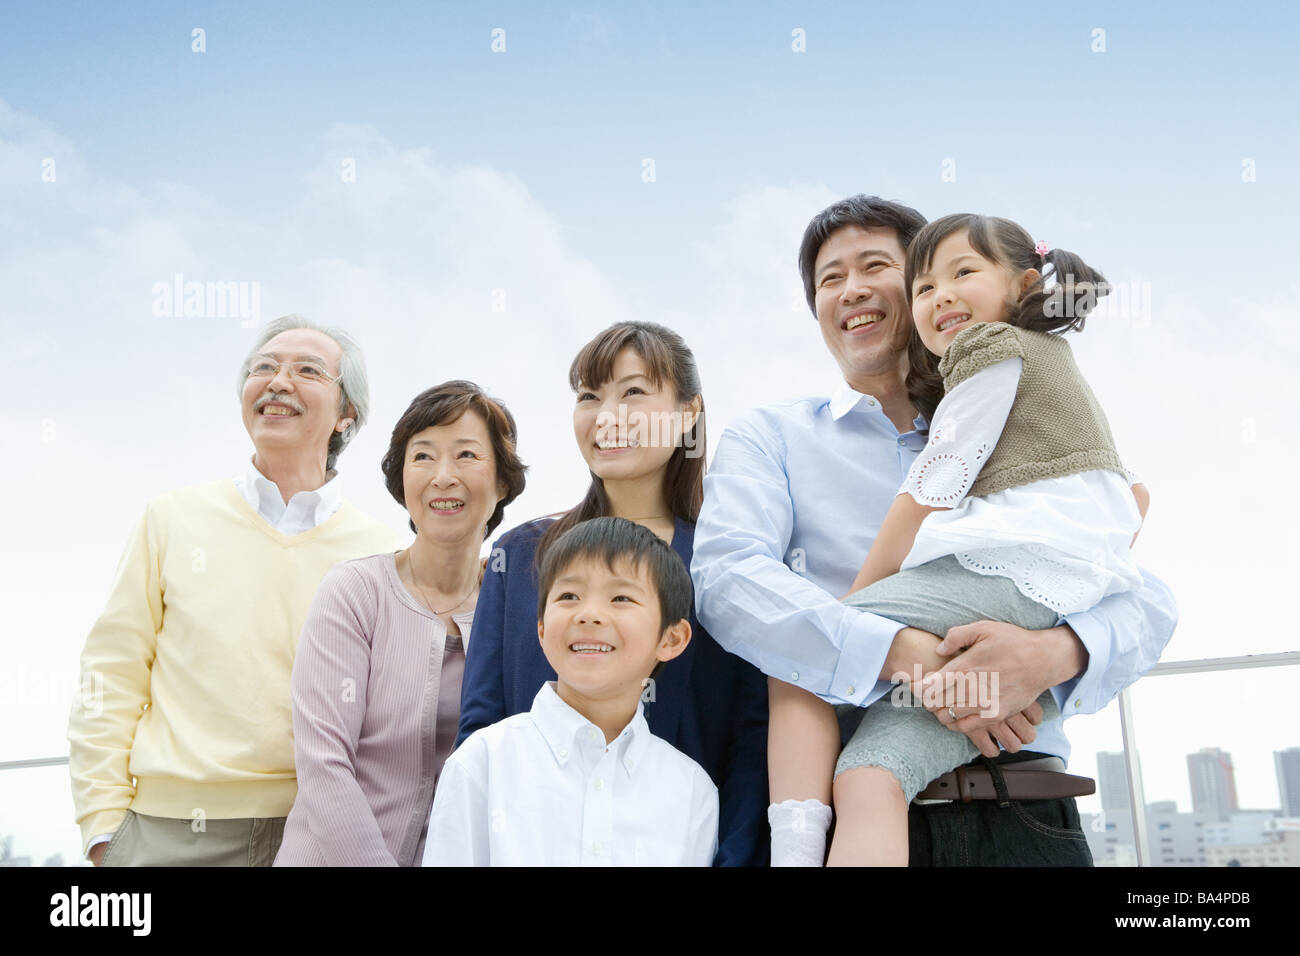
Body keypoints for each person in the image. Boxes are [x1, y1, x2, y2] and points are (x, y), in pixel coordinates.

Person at [691, 195, 1179, 867]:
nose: (853, 288)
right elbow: (727, 583)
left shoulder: (1015, 406)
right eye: (830, 279)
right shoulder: (772, 437)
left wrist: (1052, 657)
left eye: (876, 266)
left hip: (1023, 810)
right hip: (858, 809)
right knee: (802, 661)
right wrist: (906, 655)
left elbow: (1142, 592)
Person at [68, 314, 405, 866]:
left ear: (347, 414)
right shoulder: (171, 519)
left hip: (321, 836)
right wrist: (104, 831)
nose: (277, 381)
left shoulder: (384, 551)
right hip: (166, 838)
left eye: (307, 370)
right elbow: (109, 675)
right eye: (263, 368)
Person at [457, 321, 769, 866]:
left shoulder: (731, 562)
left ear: (689, 412)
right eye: (589, 396)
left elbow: (752, 743)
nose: (608, 417)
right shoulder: (520, 555)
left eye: (633, 392)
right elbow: (483, 723)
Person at [274, 381, 526, 866]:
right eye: (423, 457)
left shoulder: (518, 598)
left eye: (467, 455)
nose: (443, 477)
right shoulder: (354, 592)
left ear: (501, 482)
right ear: (402, 481)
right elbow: (324, 766)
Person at [424, 517, 719, 866]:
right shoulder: (482, 763)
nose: (589, 614)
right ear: (542, 630)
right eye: (569, 596)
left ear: (671, 639)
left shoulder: (691, 790)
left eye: (621, 597)